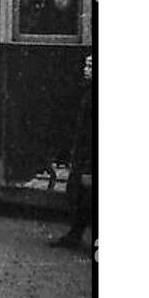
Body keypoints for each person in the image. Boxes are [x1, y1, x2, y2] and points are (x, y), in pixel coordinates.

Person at [52, 53, 94, 251]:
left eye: (91, 66)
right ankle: (75, 234)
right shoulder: (88, 92)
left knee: (84, 196)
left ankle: (75, 235)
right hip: (83, 155)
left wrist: (88, 167)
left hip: (88, 158)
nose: (86, 70)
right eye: (86, 66)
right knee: (80, 196)